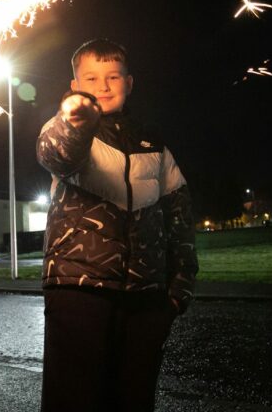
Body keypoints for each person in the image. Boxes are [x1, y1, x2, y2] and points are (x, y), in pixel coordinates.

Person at [36, 38, 199, 412]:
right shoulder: (70, 130)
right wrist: (75, 121)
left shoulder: (154, 144)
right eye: (91, 78)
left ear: (129, 82)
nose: (104, 86)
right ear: (75, 86)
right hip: (79, 290)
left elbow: (180, 216)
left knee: (134, 400)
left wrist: (178, 291)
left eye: (113, 76)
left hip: (146, 297)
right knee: (73, 400)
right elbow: (55, 153)